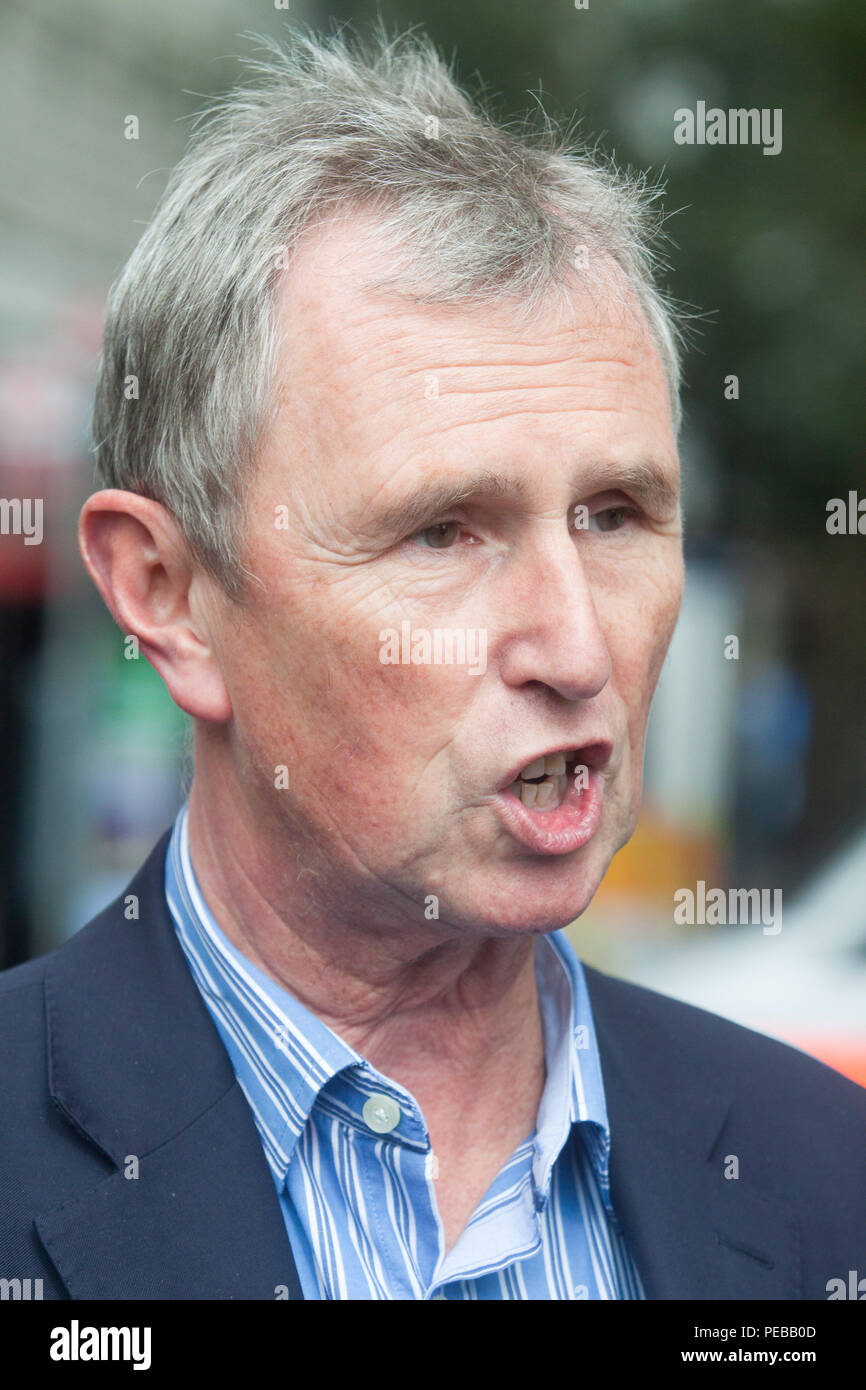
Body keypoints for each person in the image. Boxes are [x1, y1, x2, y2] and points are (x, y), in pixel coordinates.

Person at [1, 25, 863, 1302]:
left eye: (615, 513)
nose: (576, 648)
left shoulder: (822, 1176)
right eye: (443, 532)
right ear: (168, 596)